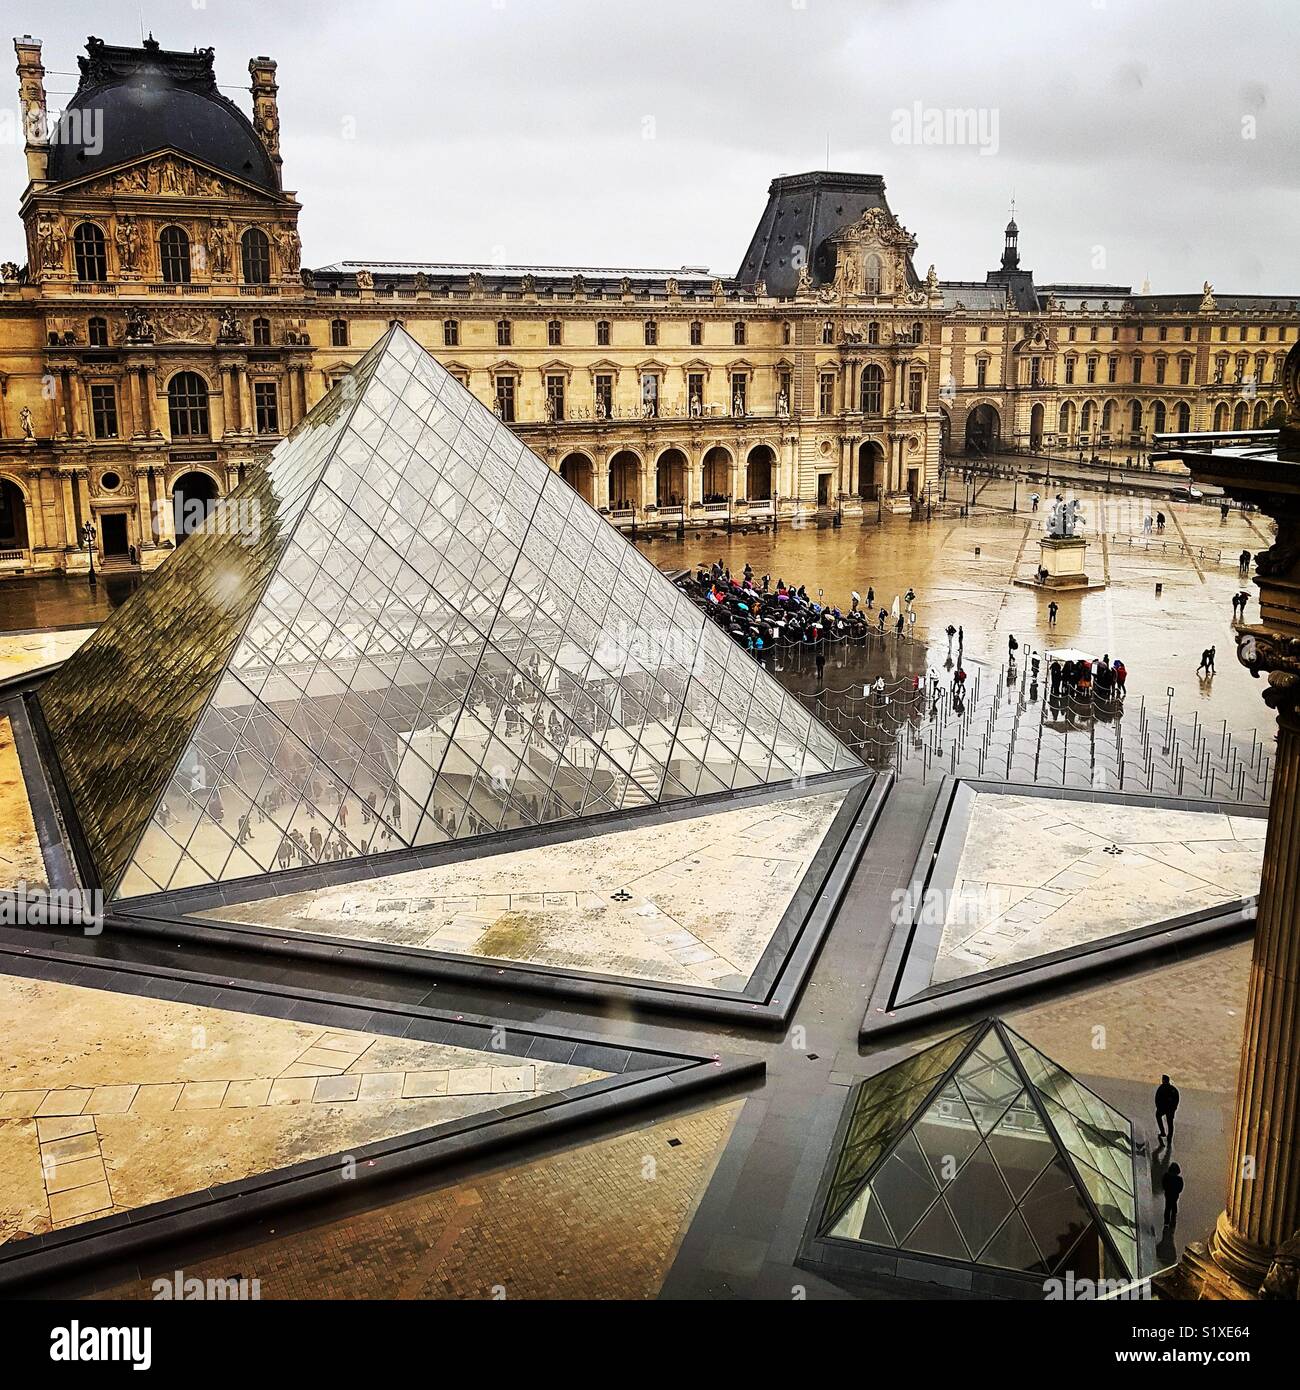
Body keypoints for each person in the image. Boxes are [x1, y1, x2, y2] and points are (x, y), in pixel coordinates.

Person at [1155, 1074, 1180, 1142]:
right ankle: (1169, 1136)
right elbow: (1176, 1099)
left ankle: (1163, 1132)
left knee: (1158, 1116)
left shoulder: (1161, 1088)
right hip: (1170, 1110)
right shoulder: (1173, 1089)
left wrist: (1158, 1107)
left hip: (1162, 1108)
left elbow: (1157, 1098)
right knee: (1170, 1123)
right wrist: (1174, 1108)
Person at [1162, 1163, 1184, 1229]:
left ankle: (1166, 1222)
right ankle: (1173, 1216)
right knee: (1174, 1204)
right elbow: (1181, 1187)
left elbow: (1163, 1184)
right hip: (1175, 1195)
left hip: (1168, 1194)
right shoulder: (1179, 1179)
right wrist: (1177, 1192)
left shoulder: (1166, 1176)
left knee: (1167, 1208)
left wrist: (1166, 1190)